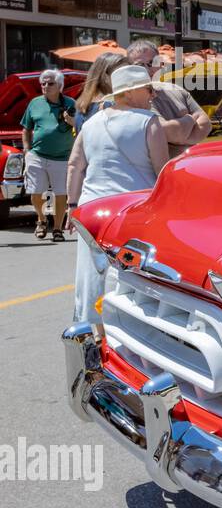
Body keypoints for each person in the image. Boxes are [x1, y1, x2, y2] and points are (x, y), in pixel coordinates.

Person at [66, 65, 169, 321]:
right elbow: (163, 172)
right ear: (132, 92)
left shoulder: (91, 123)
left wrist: (71, 205)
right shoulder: (148, 122)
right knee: (130, 274)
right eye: (148, 89)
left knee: (91, 273)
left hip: (91, 208)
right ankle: (123, 328)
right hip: (131, 208)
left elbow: (75, 165)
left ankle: (88, 325)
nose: (152, 94)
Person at [125, 39, 211, 158]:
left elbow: (206, 125)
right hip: (160, 170)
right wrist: (190, 120)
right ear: (130, 69)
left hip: (190, 163)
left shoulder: (177, 90)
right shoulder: (132, 99)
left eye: (152, 62)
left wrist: (180, 136)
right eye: (140, 65)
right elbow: (167, 132)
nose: (147, 69)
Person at [20, 68, 77, 240]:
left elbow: (83, 128)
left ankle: (58, 229)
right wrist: (26, 150)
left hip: (62, 157)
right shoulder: (35, 103)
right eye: (43, 83)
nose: (45, 86)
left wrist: (72, 121)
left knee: (60, 194)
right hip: (37, 155)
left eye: (50, 83)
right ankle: (41, 219)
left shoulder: (71, 104)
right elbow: (26, 129)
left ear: (60, 85)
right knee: (36, 193)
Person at [75, 53, 127, 132]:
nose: (126, 76)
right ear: (105, 76)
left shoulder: (83, 104)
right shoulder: (109, 105)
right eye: (120, 72)